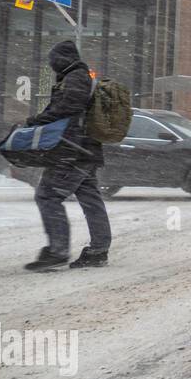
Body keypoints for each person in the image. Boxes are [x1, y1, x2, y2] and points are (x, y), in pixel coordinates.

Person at [24, 41, 112, 271]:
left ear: (63, 59)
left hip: (73, 151)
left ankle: (57, 251)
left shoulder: (75, 78)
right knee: (91, 200)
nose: (51, 64)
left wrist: (35, 121)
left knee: (47, 196)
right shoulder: (80, 77)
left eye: (54, 59)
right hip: (85, 150)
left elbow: (65, 110)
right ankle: (99, 250)